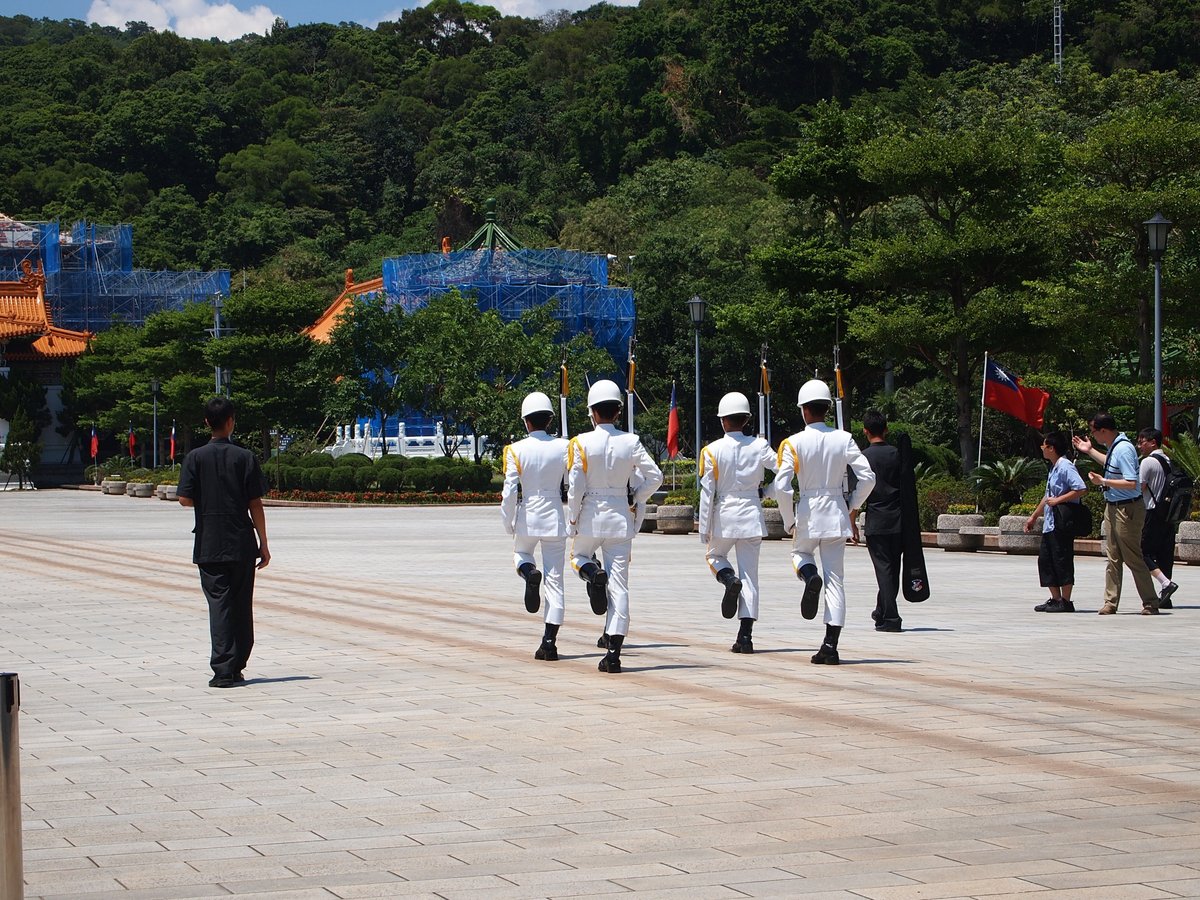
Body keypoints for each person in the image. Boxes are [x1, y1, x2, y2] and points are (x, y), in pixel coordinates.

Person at [774, 379, 876, 664]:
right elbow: (868, 477)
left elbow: (782, 487)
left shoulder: (793, 443)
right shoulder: (843, 438)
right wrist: (852, 506)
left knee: (800, 553)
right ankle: (830, 645)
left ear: (804, 411)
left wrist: (788, 520)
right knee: (836, 579)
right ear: (827, 408)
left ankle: (809, 576)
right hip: (836, 511)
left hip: (808, 509)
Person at [567, 379, 663, 673]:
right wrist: (637, 494)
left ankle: (593, 574)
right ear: (618, 412)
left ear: (592, 412)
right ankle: (613, 652)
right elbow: (655, 476)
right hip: (621, 515)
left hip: (591, 513)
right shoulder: (630, 442)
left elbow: (575, 484)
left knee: (578, 557)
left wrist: (573, 516)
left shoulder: (581, 442)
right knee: (620, 585)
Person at [177, 397, 270, 688]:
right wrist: (263, 543)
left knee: (219, 605)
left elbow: (184, 499)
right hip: (241, 541)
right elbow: (255, 503)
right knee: (242, 604)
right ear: (231, 421)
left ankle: (222, 670)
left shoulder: (195, 458)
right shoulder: (245, 457)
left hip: (209, 543)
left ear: (207, 423)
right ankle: (238, 663)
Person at [698, 391, 780, 654]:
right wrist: (768, 492)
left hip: (725, 514)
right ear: (746, 419)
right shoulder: (760, 446)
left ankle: (728, 578)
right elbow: (786, 470)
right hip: (751, 515)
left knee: (714, 556)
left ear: (723, 421)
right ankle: (745, 637)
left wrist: (704, 526)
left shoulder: (712, 450)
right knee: (751, 577)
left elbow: (707, 491)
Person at [499, 391, 569, 661]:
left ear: (526, 422)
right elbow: (573, 484)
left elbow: (509, 490)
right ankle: (549, 642)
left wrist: (508, 521)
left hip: (528, 514)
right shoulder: (563, 447)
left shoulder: (516, 449)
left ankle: (528, 573)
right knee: (556, 581)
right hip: (554, 515)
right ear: (550, 420)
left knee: (521, 554)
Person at [1073, 412, 1160, 614]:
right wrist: (1090, 450)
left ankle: (1150, 602)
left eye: (1094, 431)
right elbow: (1111, 465)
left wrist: (1103, 482)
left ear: (1104, 430)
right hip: (1113, 505)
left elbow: (1131, 483)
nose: (1092, 435)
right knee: (1112, 556)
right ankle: (1110, 602)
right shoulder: (1115, 448)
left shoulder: (1124, 449)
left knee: (1132, 557)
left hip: (1127, 507)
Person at [849, 410, 905, 632]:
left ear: (865, 431)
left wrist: (851, 523)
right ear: (886, 429)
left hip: (877, 520)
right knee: (893, 568)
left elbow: (856, 493)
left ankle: (891, 618)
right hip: (898, 519)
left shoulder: (863, 458)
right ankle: (881, 610)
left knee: (883, 569)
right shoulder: (897, 454)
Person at [1025, 431, 1088, 612]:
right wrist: (1034, 516)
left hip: (1062, 521)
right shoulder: (1054, 467)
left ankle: (1066, 601)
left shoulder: (1065, 466)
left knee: (1062, 559)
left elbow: (1081, 488)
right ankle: (1055, 598)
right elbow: (1047, 497)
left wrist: (1059, 500)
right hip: (1050, 523)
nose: (1042, 448)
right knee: (1046, 560)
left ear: (1052, 448)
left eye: (1044, 445)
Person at [1136, 427, 1180, 608]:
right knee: (1165, 555)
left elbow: (1140, 488)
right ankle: (1166, 598)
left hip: (1153, 512)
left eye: (1142, 441)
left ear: (1152, 442)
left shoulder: (1148, 462)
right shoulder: (1170, 460)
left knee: (1142, 552)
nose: (1139, 446)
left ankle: (1165, 584)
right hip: (1170, 514)